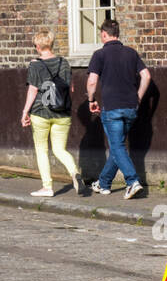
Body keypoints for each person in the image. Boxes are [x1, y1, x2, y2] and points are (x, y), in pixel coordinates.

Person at [85, 19, 151, 199]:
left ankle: (132, 181)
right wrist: (138, 96)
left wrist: (91, 99)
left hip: (112, 107)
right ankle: (104, 183)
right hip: (131, 107)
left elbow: (92, 81)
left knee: (117, 146)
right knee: (117, 147)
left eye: (101, 35)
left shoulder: (99, 54)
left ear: (104, 34)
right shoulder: (131, 53)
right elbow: (146, 76)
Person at [20, 31, 84, 197]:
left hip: (40, 112)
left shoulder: (35, 65)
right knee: (60, 149)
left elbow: (33, 90)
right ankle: (74, 172)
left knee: (42, 150)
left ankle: (47, 187)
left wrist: (25, 111)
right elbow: (71, 88)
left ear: (39, 46)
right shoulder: (64, 62)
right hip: (62, 113)